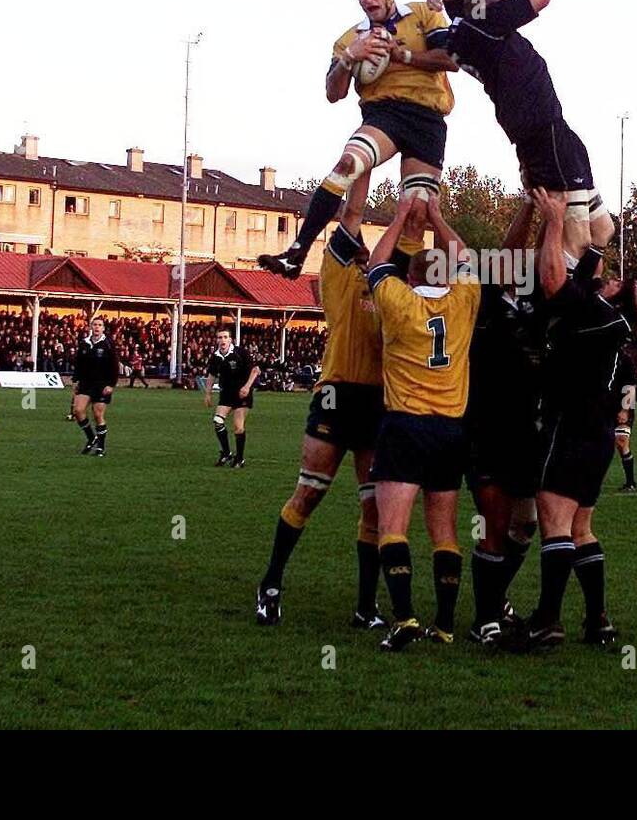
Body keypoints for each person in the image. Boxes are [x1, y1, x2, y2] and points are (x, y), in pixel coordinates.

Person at [257, 174, 423, 629]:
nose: (370, 251)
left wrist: (417, 199)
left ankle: (365, 606)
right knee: (310, 491)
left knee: (372, 505)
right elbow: (351, 212)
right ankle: (270, 584)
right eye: (364, 248)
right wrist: (365, 160)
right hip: (336, 392)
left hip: (376, 400)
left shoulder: (392, 290)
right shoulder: (338, 277)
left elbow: (410, 240)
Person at [258, 0, 458, 279]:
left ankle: (397, 284)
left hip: (428, 119)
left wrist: (400, 56)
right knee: (347, 164)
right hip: (383, 115)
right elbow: (333, 93)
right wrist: (350, 58)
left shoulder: (421, 13)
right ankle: (297, 253)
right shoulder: (349, 38)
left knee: (417, 214)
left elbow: (451, 59)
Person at [518, 189, 637, 650]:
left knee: (554, 522)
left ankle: (547, 620)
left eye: (616, 282)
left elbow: (555, 281)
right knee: (581, 528)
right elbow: (584, 274)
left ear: (615, 300)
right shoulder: (611, 327)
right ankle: (598, 621)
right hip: (597, 442)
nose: (609, 279)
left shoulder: (595, 312)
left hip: (570, 429)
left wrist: (556, 219)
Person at [426, 0, 614, 264]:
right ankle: (556, 298)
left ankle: (581, 294)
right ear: (489, 7)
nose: (512, 8)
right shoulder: (488, 23)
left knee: (603, 229)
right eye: (505, 1)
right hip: (543, 134)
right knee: (577, 238)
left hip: (552, 131)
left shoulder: (472, 25)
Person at [365, 193, 481, 651]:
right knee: (445, 531)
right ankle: (447, 623)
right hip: (450, 430)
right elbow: (467, 258)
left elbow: (377, 262)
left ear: (409, 275)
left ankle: (405, 617)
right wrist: (437, 218)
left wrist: (397, 219)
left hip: (404, 424)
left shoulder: (398, 301)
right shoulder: (464, 301)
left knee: (392, 526)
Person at [463, 198, 542, 646]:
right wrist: (531, 206)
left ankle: (497, 600)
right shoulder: (487, 301)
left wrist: (554, 217)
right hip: (486, 428)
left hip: (524, 433)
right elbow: (509, 250)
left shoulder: (531, 305)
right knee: (494, 525)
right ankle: (484, 620)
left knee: (524, 525)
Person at [204, 330, 259, 468]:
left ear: (230, 340)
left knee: (238, 427)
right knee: (217, 421)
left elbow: (255, 370)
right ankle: (227, 453)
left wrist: (247, 387)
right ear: (216, 340)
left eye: (225, 337)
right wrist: (208, 393)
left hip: (242, 393)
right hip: (227, 393)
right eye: (219, 337)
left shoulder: (241, 353)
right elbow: (211, 375)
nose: (222, 340)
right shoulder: (215, 357)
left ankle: (240, 459)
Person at [72, 316, 119, 457]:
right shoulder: (84, 343)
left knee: (98, 415)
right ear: (91, 327)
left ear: (103, 328)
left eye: (100, 325)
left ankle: (101, 448)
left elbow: (115, 366)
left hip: (102, 384)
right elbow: (78, 364)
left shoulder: (108, 344)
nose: (97, 327)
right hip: (86, 383)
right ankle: (91, 438)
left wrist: (111, 384)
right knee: (78, 411)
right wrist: (75, 380)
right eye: (95, 325)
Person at [613, 347, 637, 492]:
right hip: (605, 406)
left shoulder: (625, 359)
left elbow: (631, 386)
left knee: (621, 441)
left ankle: (630, 483)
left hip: (623, 406)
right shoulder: (602, 357)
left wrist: (625, 409)